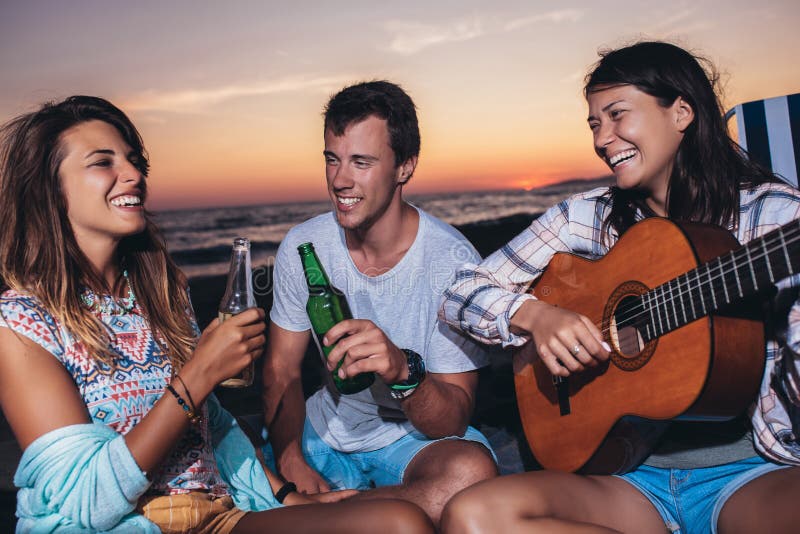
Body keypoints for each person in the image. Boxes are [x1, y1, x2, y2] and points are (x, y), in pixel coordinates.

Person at [0, 95, 434, 533]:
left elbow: (215, 423)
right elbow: (85, 501)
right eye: (102, 162)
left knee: (397, 522)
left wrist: (284, 495)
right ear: (49, 189)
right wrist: (199, 374)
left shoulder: (163, 295)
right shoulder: (22, 324)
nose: (133, 175)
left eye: (133, 161)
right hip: (120, 526)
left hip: (216, 515)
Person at [438, 41, 800, 534]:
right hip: (629, 478)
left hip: (753, 473)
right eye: (593, 123)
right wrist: (537, 316)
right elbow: (460, 291)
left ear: (682, 113)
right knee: (472, 516)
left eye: (616, 115)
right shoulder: (587, 215)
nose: (602, 139)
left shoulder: (775, 217)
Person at [262, 80, 498, 526]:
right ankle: (355, 514)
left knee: (471, 475)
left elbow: (452, 419)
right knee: (224, 455)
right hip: (324, 431)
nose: (339, 180)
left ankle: (315, 516)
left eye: (361, 162)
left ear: (405, 166)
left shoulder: (454, 263)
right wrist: (290, 459)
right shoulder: (304, 245)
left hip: (408, 443)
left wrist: (402, 370)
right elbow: (281, 370)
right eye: (332, 159)